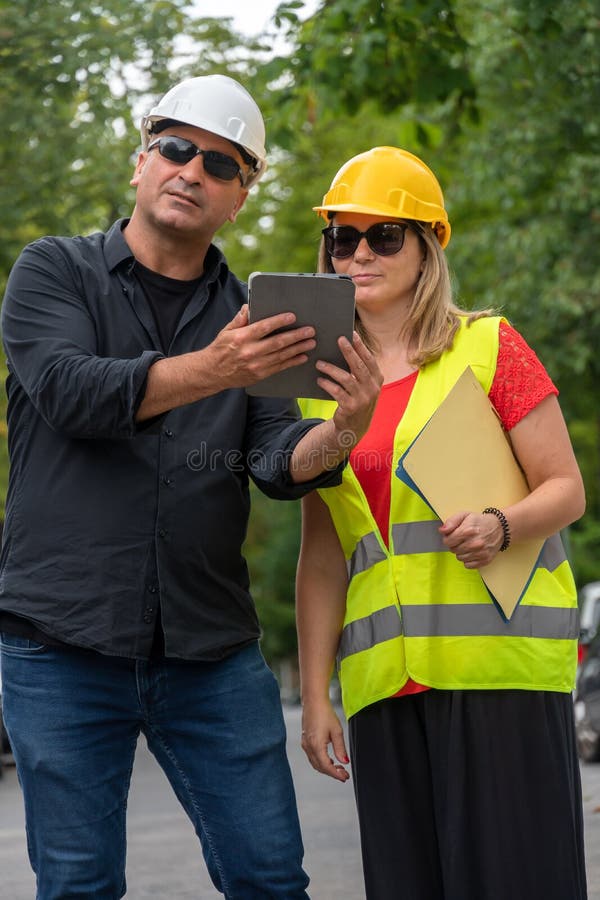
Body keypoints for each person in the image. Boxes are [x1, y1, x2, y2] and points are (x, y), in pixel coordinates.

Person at [0, 75, 381, 899]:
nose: (191, 170)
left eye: (220, 163)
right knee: (78, 885)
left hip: (209, 649)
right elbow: (70, 392)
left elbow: (277, 461)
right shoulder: (51, 273)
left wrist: (345, 430)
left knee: (272, 878)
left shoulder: (254, 316)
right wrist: (216, 368)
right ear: (140, 163)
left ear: (240, 197)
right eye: (176, 148)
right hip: (60, 644)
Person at [295, 146, 588, 900]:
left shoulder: (489, 346)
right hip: (386, 687)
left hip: (502, 672)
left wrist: (502, 522)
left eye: (385, 235)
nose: (359, 253)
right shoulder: (319, 397)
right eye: (343, 237)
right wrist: (320, 695)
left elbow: (566, 490)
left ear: (428, 247)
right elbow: (325, 554)